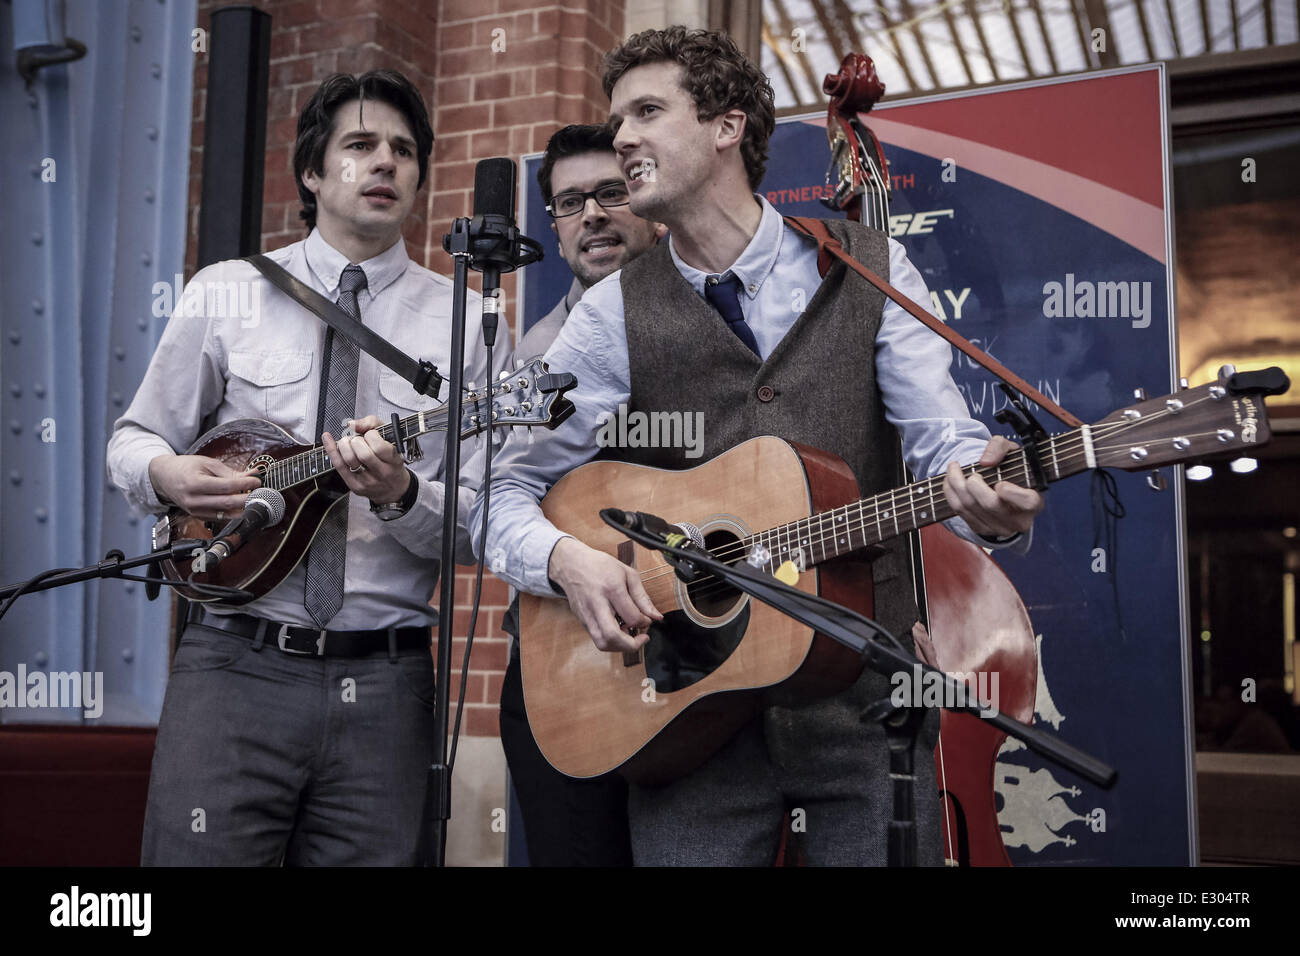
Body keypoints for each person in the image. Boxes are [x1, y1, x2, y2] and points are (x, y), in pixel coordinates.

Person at [473, 27, 1044, 866]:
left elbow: (942, 448)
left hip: (866, 718)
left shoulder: (873, 270)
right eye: (616, 117)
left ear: (726, 126)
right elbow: (501, 493)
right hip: (686, 723)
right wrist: (567, 562)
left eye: (647, 112)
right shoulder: (607, 316)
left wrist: (988, 505)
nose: (622, 136)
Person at [107, 69, 506, 865]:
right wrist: (168, 477)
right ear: (314, 173)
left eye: (402, 150)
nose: (385, 163)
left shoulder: (464, 320)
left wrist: (401, 495)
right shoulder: (226, 291)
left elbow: (480, 527)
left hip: (387, 685)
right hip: (232, 664)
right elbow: (134, 437)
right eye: (360, 145)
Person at [500, 124, 664, 866]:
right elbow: (493, 509)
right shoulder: (530, 360)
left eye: (610, 191)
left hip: (702, 666)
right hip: (562, 667)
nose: (592, 214)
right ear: (556, 227)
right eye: (570, 202)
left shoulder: (717, 325)